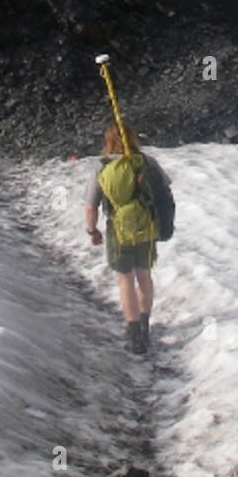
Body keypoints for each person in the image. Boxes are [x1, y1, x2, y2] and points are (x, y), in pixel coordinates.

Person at [84, 122, 171, 355]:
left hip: (118, 231)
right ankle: (144, 326)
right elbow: (165, 190)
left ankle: (133, 335)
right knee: (144, 276)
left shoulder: (102, 167)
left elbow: (91, 206)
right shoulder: (147, 162)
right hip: (146, 228)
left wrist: (92, 231)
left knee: (126, 280)